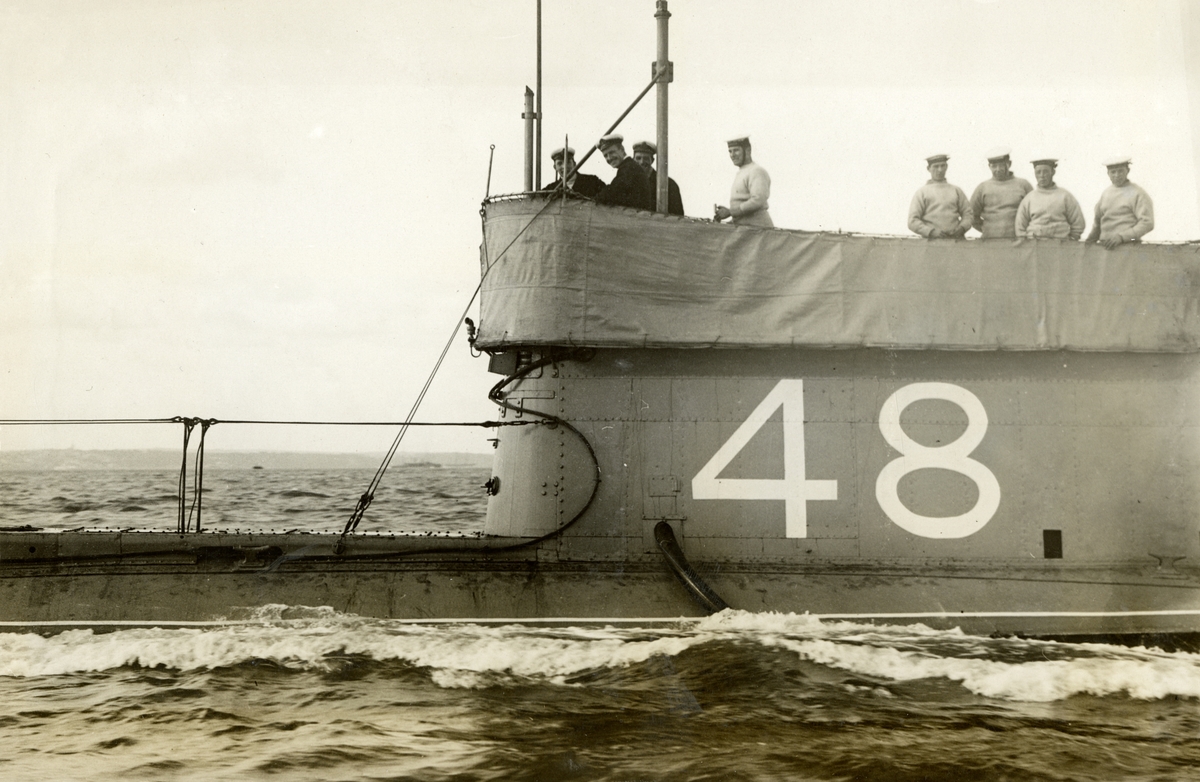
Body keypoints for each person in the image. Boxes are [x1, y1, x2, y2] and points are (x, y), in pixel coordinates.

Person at [1085, 156, 1154, 249]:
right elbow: (1097, 222)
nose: (1117, 175)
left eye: (1120, 171)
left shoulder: (1138, 193)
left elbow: (1147, 223)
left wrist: (1122, 237)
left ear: (1128, 171)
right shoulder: (1106, 193)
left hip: (1129, 248)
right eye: (1113, 172)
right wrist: (1089, 241)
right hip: (1105, 247)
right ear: (1108, 173)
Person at [969, 147, 1032, 239]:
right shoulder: (982, 188)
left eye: (1001, 165)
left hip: (1018, 241)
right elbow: (971, 216)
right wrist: (987, 229)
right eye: (994, 166)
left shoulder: (1023, 185)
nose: (998, 169)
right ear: (989, 166)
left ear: (1009, 164)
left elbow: (1035, 213)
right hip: (990, 241)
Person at [1015, 158, 1085, 240]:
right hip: (1034, 244)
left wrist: (1071, 240)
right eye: (1038, 172)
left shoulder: (1065, 196)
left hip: (1060, 244)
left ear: (1053, 172)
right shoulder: (1029, 198)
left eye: (1045, 171)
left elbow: (1078, 223)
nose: (1042, 175)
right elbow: (1020, 227)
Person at [907, 154, 972, 239]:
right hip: (930, 242)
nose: (940, 170)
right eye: (936, 166)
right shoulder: (922, 192)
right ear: (928, 168)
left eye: (942, 166)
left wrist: (962, 228)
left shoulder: (956, 190)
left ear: (946, 167)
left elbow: (968, 214)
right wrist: (930, 232)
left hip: (956, 241)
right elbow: (912, 221)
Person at [715, 136, 772, 227]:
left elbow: (758, 200)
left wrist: (730, 212)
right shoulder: (743, 172)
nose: (732, 155)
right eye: (730, 151)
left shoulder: (756, 171)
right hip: (746, 228)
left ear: (748, 150)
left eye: (736, 150)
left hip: (758, 229)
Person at [594, 134, 653, 210]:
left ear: (622, 149)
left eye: (611, 152)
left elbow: (610, 194)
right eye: (605, 155)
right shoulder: (628, 167)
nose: (609, 158)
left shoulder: (629, 168)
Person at [631, 140, 684, 216]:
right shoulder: (629, 182)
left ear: (652, 160)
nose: (642, 162)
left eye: (646, 158)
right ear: (633, 160)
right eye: (638, 158)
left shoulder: (669, 184)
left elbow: (678, 216)